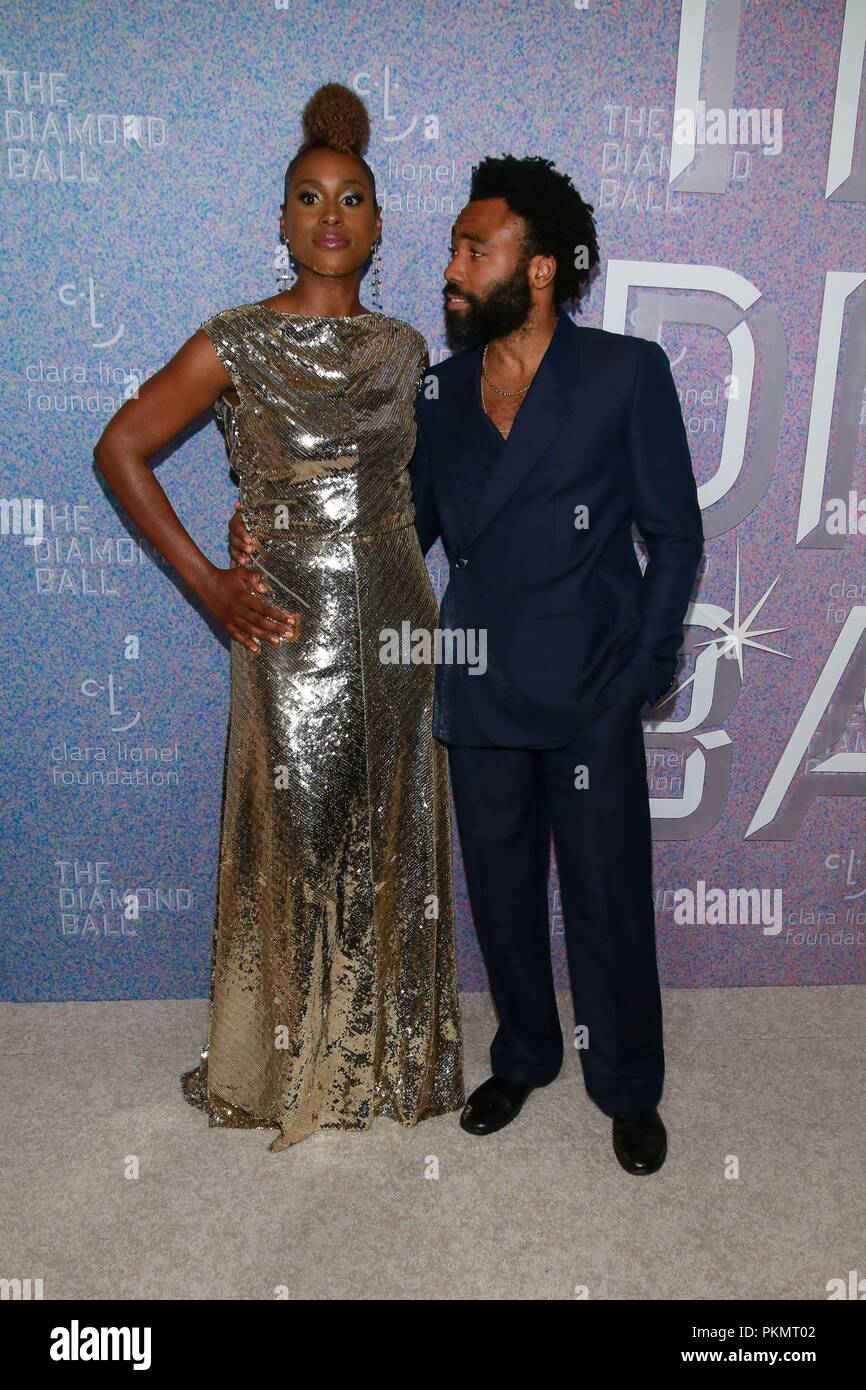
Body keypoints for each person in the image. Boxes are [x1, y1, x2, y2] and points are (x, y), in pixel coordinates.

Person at [232, 153, 705, 1175]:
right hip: (480, 688)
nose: (450, 265)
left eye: (472, 249)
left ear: (536, 268)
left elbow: (674, 534)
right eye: (450, 246)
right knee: (496, 893)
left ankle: (624, 1085)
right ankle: (525, 1054)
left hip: (589, 690)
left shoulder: (623, 373)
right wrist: (268, 528)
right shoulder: (436, 394)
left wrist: (644, 666)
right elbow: (398, 525)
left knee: (605, 895)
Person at [94, 83, 464, 1152]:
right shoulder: (236, 340)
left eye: (351, 198)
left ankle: (386, 1058)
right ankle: (287, 1060)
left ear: (378, 225)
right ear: (283, 219)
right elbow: (121, 447)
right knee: (294, 838)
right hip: (285, 631)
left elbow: (410, 496)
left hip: (397, 622)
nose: (330, 215)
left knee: (388, 835)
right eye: (308, 197)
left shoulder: (403, 351)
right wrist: (213, 580)